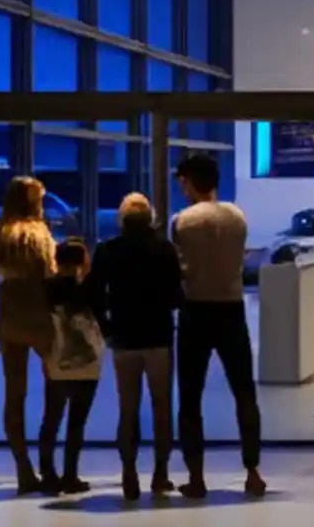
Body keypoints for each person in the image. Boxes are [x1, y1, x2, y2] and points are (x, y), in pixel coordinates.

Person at [172, 154, 266, 498]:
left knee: (190, 396)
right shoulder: (237, 217)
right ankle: (253, 471)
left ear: (187, 181)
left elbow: (180, 267)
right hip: (231, 308)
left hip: (196, 310)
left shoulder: (181, 220)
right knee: (244, 392)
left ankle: (196, 477)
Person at [82, 193, 183, 501]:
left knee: (128, 408)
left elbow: (92, 293)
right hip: (158, 337)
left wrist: (107, 325)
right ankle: (161, 474)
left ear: (122, 219)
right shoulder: (164, 249)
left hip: (124, 337)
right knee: (161, 407)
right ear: (150, 218)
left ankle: (128, 473)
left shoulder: (108, 250)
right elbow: (176, 296)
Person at [0, 176, 57, 494]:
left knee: (15, 395)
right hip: (41, 318)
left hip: (10, 319)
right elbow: (51, 276)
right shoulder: (40, 235)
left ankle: (23, 468)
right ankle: (49, 465)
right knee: (56, 391)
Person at [38, 238, 105, 496]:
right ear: (82, 262)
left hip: (57, 361)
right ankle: (70, 475)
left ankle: (48, 474)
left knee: (51, 419)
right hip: (87, 365)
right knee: (77, 424)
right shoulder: (89, 289)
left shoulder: (48, 288)